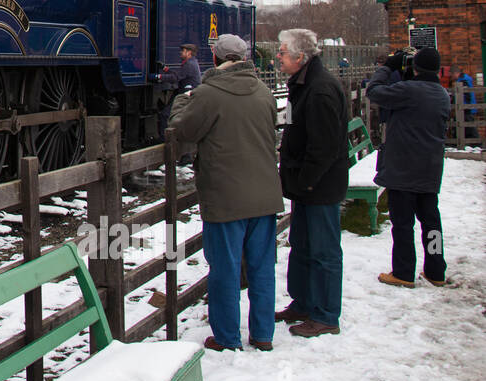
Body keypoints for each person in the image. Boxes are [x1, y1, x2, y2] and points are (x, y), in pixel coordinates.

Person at [169, 34, 282, 351]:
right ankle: (263, 335)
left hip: (226, 197)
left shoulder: (208, 93)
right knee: (262, 269)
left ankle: (227, 337)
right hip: (265, 194)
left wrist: (181, 100)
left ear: (216, 59)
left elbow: (183, 129)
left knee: (225, 270)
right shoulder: (264, 91)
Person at [275, 28, 349, 337]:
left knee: (323, 251)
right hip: (304, 187)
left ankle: (326, 315)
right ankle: (303, 302)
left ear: (299, 57)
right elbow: (293, 127)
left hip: (318, 187)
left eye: (282, 53)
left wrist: (304, 181)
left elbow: (324, 147)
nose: (277, 57)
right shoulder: (300, 86)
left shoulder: (319, 90)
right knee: (302, 246)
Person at [367, 48, 451, 287]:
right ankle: (436, 269)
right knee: (431, 222)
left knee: (403, 224)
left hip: (403, 168)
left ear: (416, 67)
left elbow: (374, 92)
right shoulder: (441, 94)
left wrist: (389, 66)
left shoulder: (409, 91)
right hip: (430, 168)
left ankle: (403, 272)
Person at [154, 43, 203, 151]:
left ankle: (165, 142)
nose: (181, 52)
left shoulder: (189, 64)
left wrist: (159, 76)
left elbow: (176, 77)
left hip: (186, 94)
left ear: (189, 52)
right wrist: (165, 68)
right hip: (185, 92)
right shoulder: (190, 63)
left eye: (183, 50)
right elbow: (178, 74)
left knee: (166, 115)